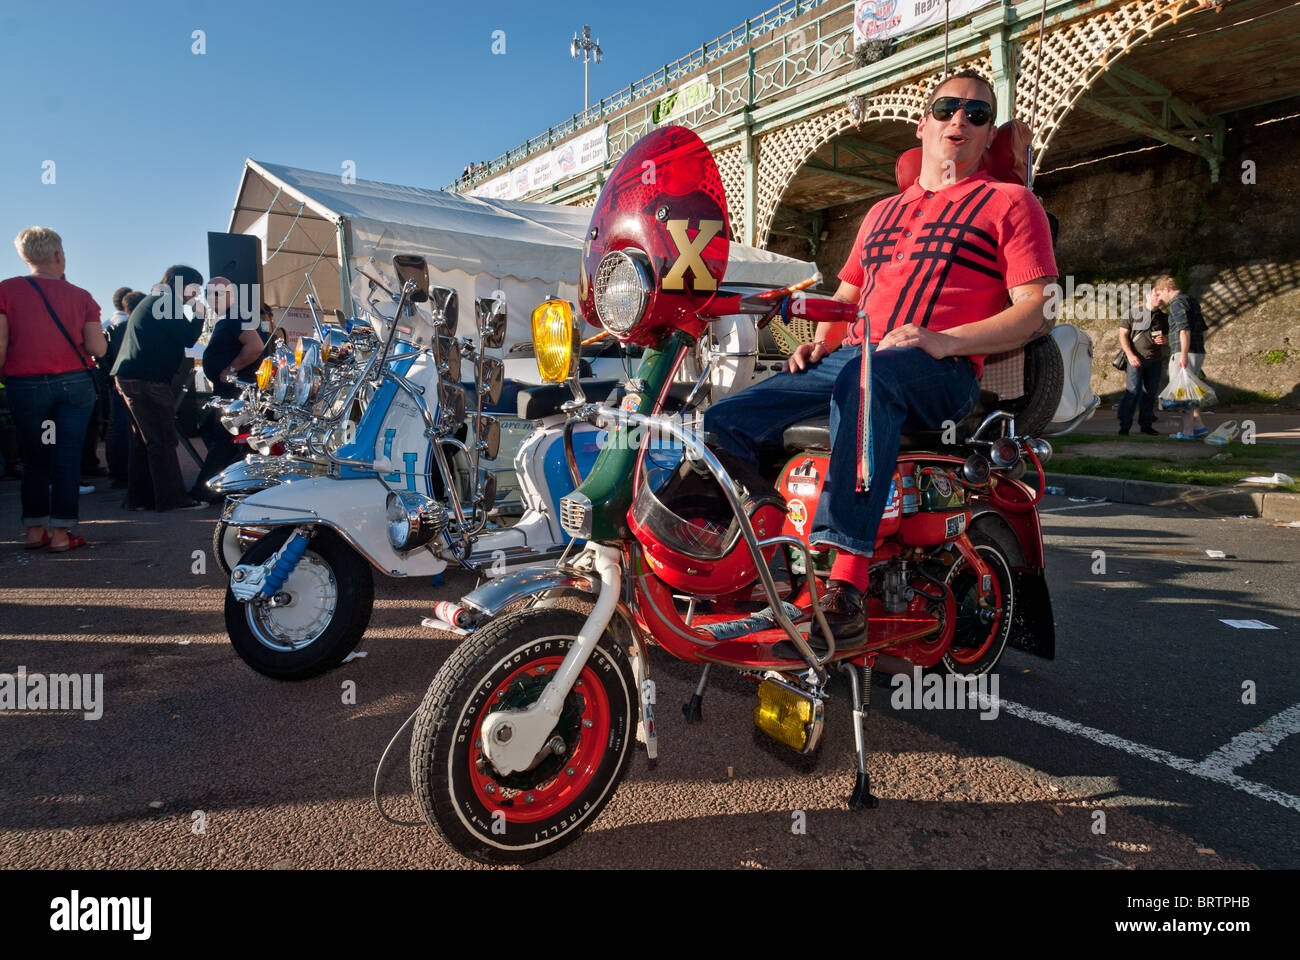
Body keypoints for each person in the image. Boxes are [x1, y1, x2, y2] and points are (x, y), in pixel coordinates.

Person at [704, 70, 1057, 644]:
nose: (958, 121)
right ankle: (763, 562)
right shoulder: (880, 214)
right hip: (858, 360)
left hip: (940, 373)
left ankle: (845, 583)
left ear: (990, 136)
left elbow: (1037, 310)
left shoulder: (1011, 203)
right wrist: (823, 342)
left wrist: (945, 339)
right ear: (922, 124)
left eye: (977, 114)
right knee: (724, 421)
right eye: (946, 108)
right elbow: (846, 300)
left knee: (868, 384)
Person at [0, 227, 107, 551]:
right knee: (67, 458)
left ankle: (34, 529)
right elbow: (97, 349)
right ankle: (62, 534)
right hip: (73, 383)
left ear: (25, 256)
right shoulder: (82, 296)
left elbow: (1, 345)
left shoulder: (6, 290)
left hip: (24, 384)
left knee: (33, 458)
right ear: (59, 256)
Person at [111, 265, 208, 511]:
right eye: (194, 288)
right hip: (148, 380)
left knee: (145, 440)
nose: (195, 295)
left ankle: (139, 498)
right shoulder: (166, 302)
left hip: (131, 377)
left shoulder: (154, 300)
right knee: (162, 440)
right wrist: (199, 315)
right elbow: (187, 338)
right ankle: (172, 500)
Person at [190, 278, 265, 500]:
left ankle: (205, 492)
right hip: (230, 391)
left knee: (224, 441)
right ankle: (227, 485)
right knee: (217, 435)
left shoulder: (236, 315)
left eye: (219, 293)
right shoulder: (229, 317)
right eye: (209, 292)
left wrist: (231, 369)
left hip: (236, 391)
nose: (213, 297)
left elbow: (256, 346)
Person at [1151, 276, 1209, 439]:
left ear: (1166, 289)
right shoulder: (1191, 301)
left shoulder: (1176, 303)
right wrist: (1196, 349)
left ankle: (1187, 432)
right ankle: (1198, 427)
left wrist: (1183, 354)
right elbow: (1203, 330)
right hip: (1197, 351)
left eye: (1160, 295)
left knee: (1182, 394)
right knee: (1190, 392)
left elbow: (1184, 330)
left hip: (1184, 352)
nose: (1160, 300)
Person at [104, 290, 145, 487]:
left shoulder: (111, 328)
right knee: (132, 429)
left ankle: (119, 473)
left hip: (116, 383)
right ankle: (130, 474)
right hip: (136, 384)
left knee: (118, 428)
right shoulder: (135, 328)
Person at [1116, 289, 1168, 435]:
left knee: (1150, 394)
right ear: (1147, 296)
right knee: (1132, 392)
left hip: (1155, 361)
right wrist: (1130, 355)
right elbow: (1123, 335)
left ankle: (1146, 426)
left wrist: (1166, 340)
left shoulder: (1163, 317)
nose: (1158, 298)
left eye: (1160, 296)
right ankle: (1124, 427)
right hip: (1135, 360)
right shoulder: (1132, 313)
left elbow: (1169, 338)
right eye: (1156, 294)